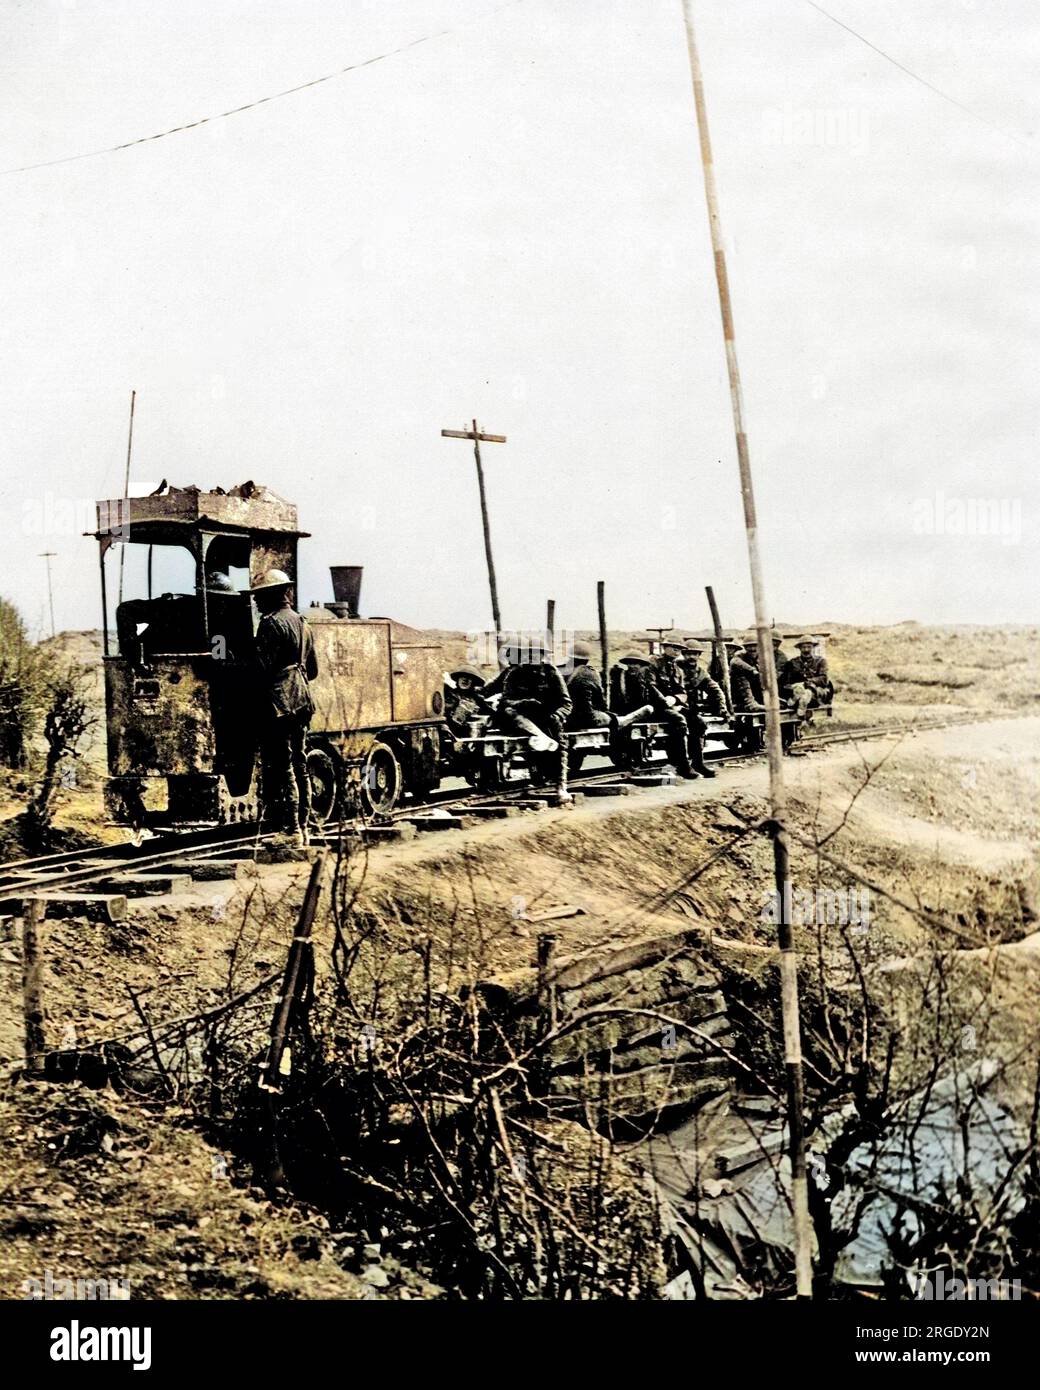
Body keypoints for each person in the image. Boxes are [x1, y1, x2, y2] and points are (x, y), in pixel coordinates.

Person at [252, 568, 318, 846]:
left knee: (283, 765)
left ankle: (291, 831)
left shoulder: (270, 624)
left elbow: (260, 669)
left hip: (280, 702)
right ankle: (304, 828)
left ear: (271, 595)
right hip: (302, 699)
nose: (255, 602)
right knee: (300, 764)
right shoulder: (303, 623)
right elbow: (312, 670)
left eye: (258, 596)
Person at [496, 637, 572, 798]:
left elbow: (566, 703)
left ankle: (561, 786)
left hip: (546, 718)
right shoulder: (515, 673)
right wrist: (523, 702)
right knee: (507, 712)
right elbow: (505, 700)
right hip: (521, 719)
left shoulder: (551, 673)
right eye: (528, 654)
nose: (531, 657)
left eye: (536, 654)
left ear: (543, 656)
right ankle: (539, 739)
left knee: (560, 743)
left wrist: (557, 715)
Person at [610, 652, 696, 778]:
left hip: (651, 709)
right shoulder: (620, 677)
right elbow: (615, 697)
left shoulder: (646, 676)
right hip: (628, 712)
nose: (633, 666)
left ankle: (683, 764)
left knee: (680, 720)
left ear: (642, 666)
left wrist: (669, 703)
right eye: (630, 663)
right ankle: (629, 764)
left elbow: (653, 693)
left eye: (636, 664)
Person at [561, 640, 611, 729]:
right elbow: (600, 701)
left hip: (565, 717)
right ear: (587, 659)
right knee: (612, 719)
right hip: (586, 718)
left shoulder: (560, 670)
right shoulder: (591, 673)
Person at [780, 635, 834, 717]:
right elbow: (786, 681)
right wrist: (795, 686)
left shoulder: (820, 661)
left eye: (809, 647)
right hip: (796, 689)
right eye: (803, 647)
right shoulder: (793, 663)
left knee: (809, 692)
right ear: (799, 648)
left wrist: (808, 683)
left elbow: (824, 679)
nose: (806, 650)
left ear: (813, 648)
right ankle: (799, 696)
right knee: (797, 689)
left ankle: (803, 698)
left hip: (816, 692)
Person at [444, 666, 492, 736]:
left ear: (473, 682)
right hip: (450, 731)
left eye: (468, 678)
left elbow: (490, 714)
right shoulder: (450, 695)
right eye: (462, 677)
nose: (465, 680)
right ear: (458, 680)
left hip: (470, 732)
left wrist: (476, 713)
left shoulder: (477, 698)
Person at [730, 635, 765, 713]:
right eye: (749, 646)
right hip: (738, 693)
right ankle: (750, 704)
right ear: (745, 648)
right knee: (741, 673)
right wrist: (752, 671)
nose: (753, 649)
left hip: (755, 691)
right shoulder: (740, 656)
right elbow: (735, 662)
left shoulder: (760, 659)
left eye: (755, 646)